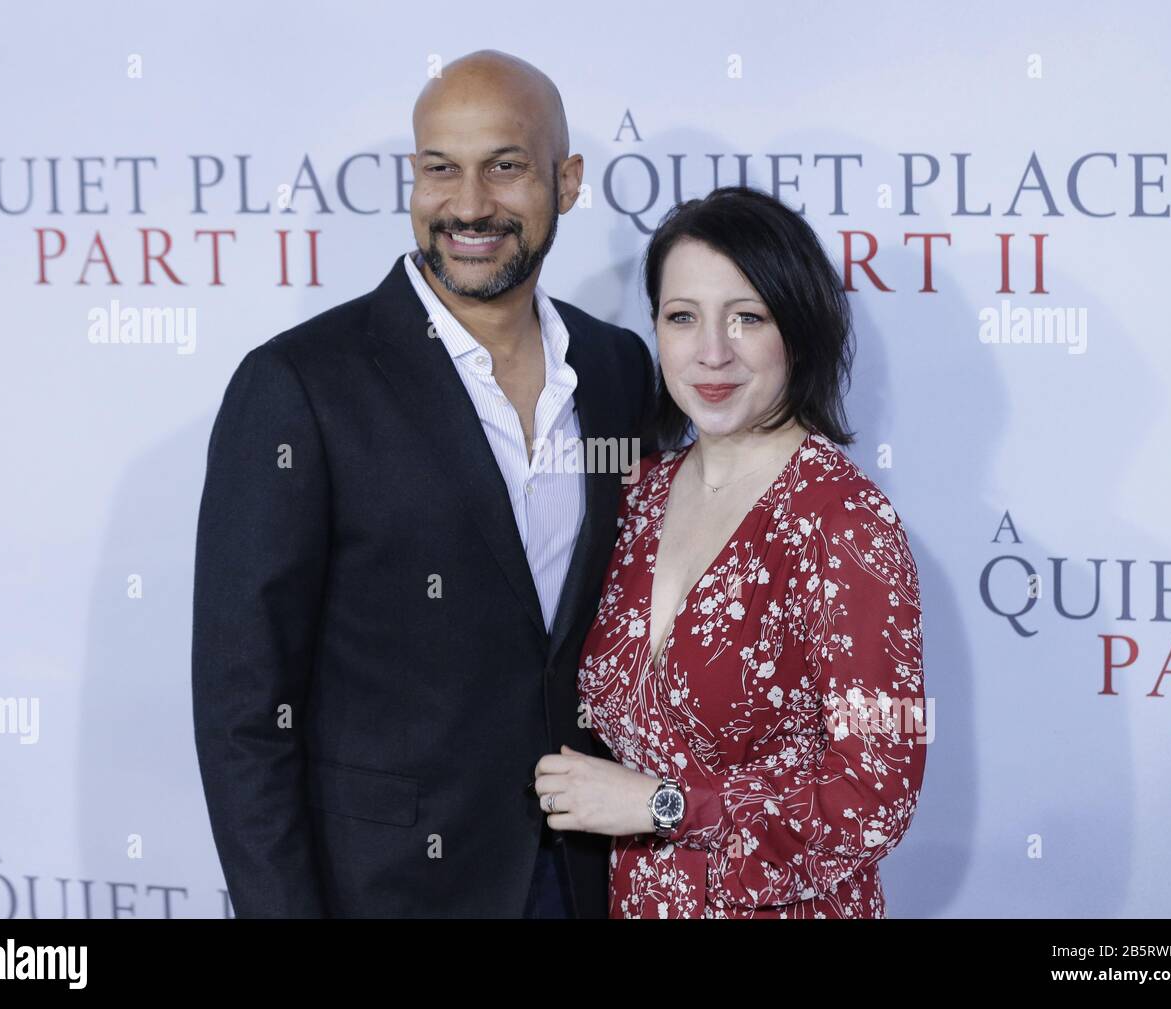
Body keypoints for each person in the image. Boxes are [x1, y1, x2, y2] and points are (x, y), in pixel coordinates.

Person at [191, 50, 655, 918]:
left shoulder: (618, 366)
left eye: (506, 167)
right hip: (389, 889)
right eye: (441, 168)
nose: (469, 204)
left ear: (569, 180)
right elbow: (242, 713)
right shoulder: (299, 387)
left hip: (588, 873)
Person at [533, 186, 928, 918]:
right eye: (683, 317)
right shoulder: (637, 495)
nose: (712, 351)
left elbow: (878, 796)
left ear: (799, 329)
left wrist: (664, 804)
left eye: (747, 317)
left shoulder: (844, 522)